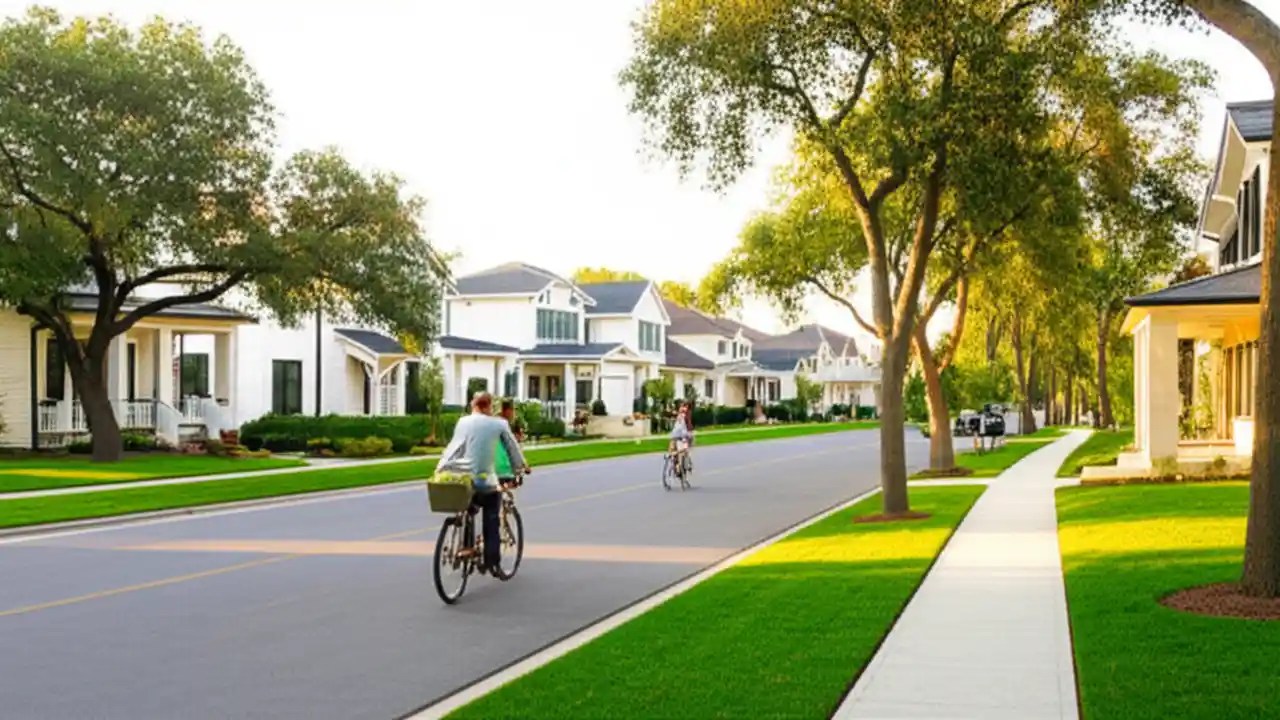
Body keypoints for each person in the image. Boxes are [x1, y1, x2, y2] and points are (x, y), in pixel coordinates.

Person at [438, 392, 528, 572]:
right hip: (483, 480)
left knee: (468, 506)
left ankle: (466, 545)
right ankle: (491, 560)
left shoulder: (462, 422)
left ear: (474, 405)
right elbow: (512, 448)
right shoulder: (498, 424)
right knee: (491, 510)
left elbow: (456, 447)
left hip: (457, 477)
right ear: (489, 406)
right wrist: (521, 467)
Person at [495, 398, 525, 484]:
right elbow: (512, 447)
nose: (514, 414)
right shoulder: (501, 424)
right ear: (508, 410)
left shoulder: (502, 422)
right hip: (500, 468)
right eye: (513, 410)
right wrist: (521, 467)